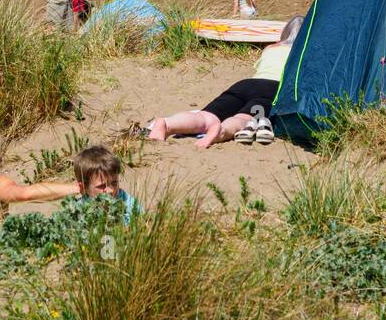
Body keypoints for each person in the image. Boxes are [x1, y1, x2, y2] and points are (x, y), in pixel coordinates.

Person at [144, 16, 302, 147]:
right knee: (242, 118)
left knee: (205, 116)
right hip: (272, 89)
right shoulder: (302, 56)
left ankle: (166, 124)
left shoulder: (270, 48)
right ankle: (220, 131)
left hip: (245, 84)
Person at [72, 146, 138, 220]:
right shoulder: (79, 211)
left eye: (114, 183)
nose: (111, 190)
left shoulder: (126, 201)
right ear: (83, 188)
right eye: (102, 186)